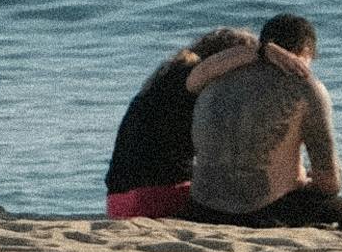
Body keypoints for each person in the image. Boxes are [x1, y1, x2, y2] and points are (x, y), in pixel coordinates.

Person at [185, 11, 342, 237]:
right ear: (305, 52)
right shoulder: (306, 88)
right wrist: (304, 181)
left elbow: (193, 79)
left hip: (202, 208)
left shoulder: (214, 77)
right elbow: (329, 183)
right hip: (261, 213)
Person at [103, 26, 250, 220]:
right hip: (153, 200)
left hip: (119, 203)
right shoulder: (186, 76)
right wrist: (260, 51)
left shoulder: (166, 79)